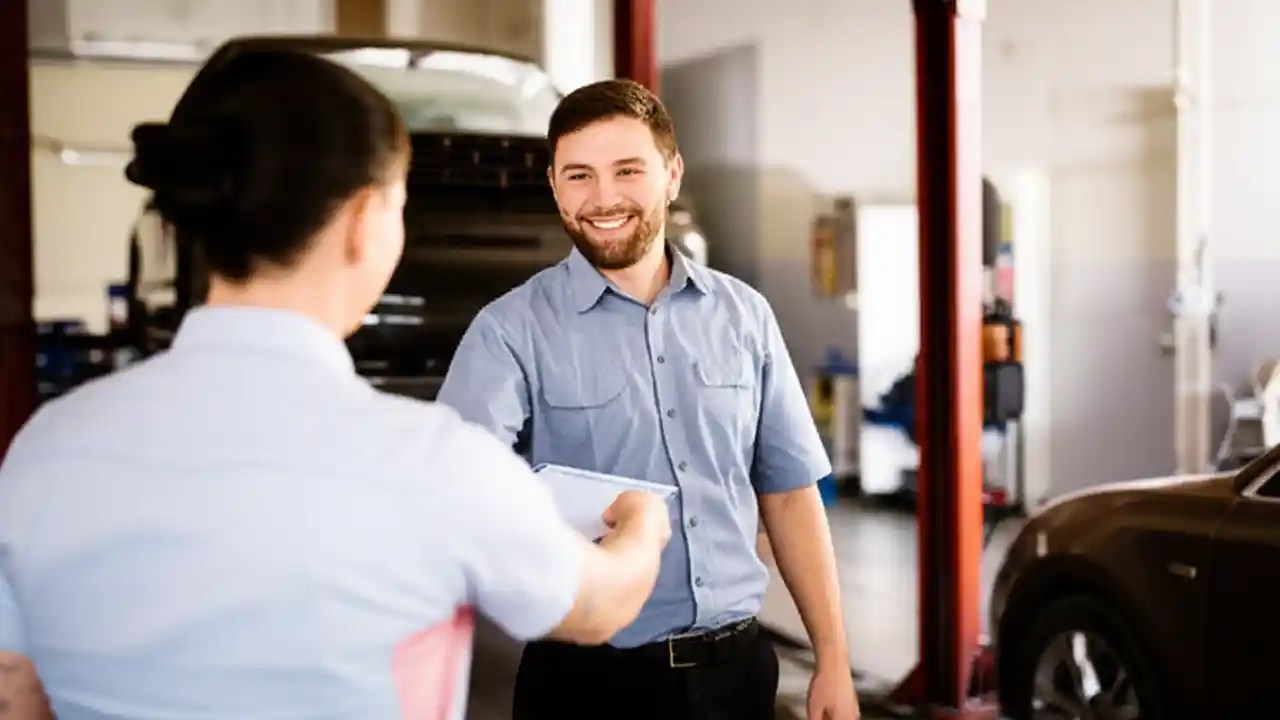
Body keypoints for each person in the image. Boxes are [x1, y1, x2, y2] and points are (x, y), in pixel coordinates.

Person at [0, 44, 671, 719]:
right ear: (363, 221)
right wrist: (643, 521)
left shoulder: (47, 449)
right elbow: (599, 605)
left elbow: (18, 692)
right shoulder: (434, 463)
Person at [437, 78, 862, 720]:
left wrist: (832, 658)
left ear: (672, 174)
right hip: (585, 687)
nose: (604, 198)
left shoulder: (745, 316)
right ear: (553, 186)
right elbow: (457, 500)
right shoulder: (508, 332)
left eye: (627, 170)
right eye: (579, 176)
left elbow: (789, 494)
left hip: (737, 677)